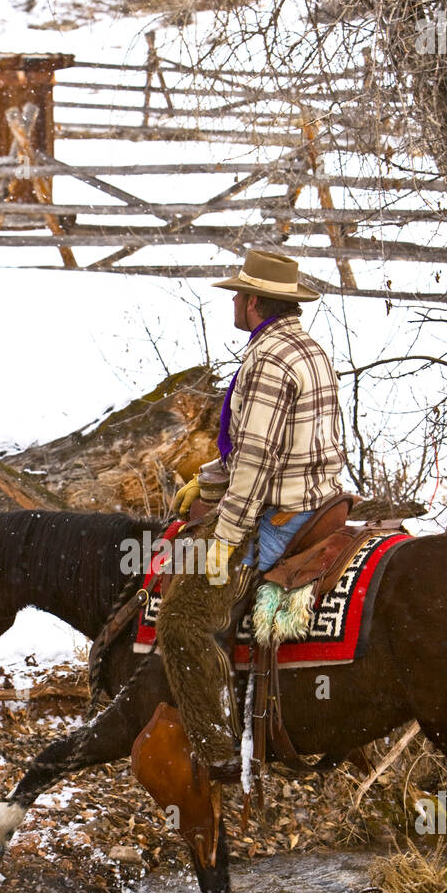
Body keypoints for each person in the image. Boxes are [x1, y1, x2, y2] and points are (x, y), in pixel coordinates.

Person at [156, 249, 344, 780]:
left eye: (239, 294)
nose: (234, 302)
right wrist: (207, 479)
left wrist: (225, 538)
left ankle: (217, 756)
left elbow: (258, 463)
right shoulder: (307, 347)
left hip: (280, 514)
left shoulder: (265, 361)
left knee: (182, 621)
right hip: (322, 497)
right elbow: (259, 451)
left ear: (256, 301)